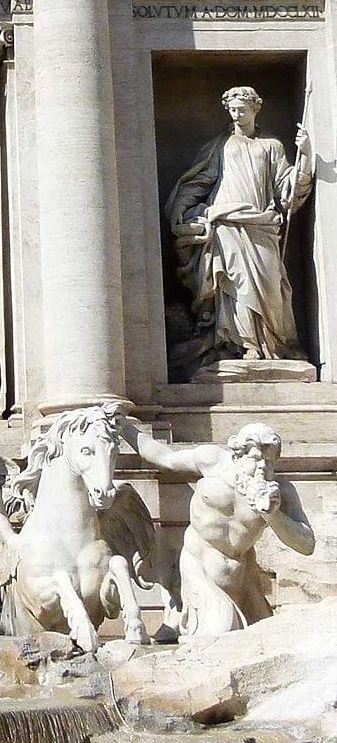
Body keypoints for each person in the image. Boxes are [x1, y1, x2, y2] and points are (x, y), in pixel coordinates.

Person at [118, 419, 314, 637]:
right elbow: (164, 458)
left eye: (270, 462)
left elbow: (306, 545)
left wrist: (273, 516)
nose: (263, 467)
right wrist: (125, 428)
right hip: (199, 564)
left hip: (242, 575)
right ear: (239, 454)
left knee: (264, 639)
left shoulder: (281, 492)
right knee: (221, 635)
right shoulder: (212, 461)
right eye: (257, 459)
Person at [165, 86, 313, 366]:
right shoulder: (220, 145)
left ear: (256, 109)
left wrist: (305, 154)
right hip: (226, 224)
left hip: (262, 225)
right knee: (233, 284)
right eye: (232, 110)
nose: (236, 115)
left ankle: (270, 345)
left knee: (269, 289)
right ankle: (238, 345)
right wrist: (183, 209)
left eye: (241, 110)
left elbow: (288, 190)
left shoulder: (271, 146)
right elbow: (198, 182)